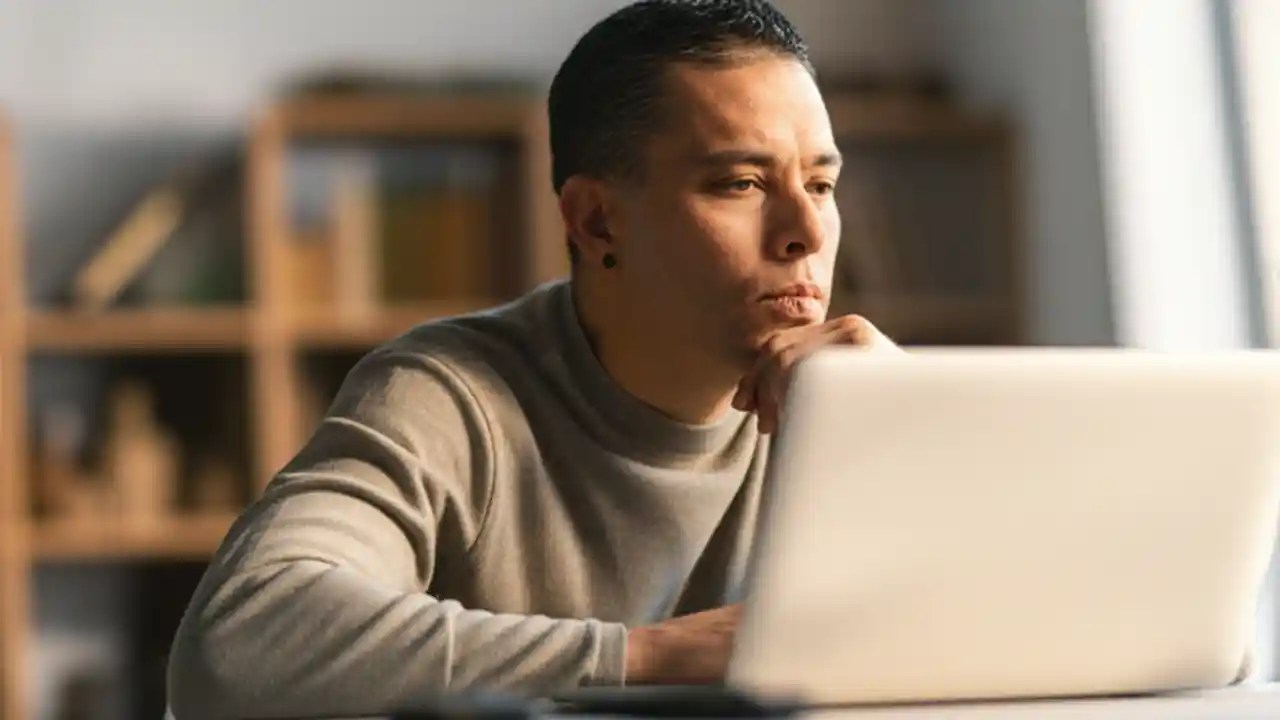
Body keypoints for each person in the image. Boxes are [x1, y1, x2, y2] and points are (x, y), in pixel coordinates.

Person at [167, 1, 902, 718]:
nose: (805, 230)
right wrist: (644, 657)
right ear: (595, 220)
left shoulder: (861, 395)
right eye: (739, 183)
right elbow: (236, 647)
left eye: (820, 184)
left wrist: (910, 426)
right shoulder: (450, 395)